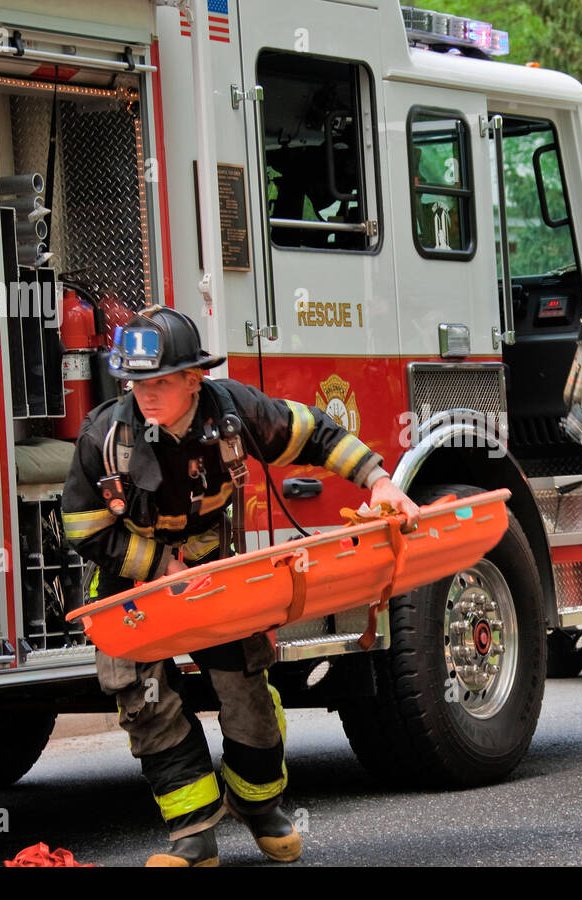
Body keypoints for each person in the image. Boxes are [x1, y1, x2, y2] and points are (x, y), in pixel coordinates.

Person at [62, 305, 418, 866]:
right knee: (145, 703)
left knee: (246, 689)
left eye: (157, 382)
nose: (144, 395)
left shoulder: (234, 412)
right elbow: (82, 527)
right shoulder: (106, 435)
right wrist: (158, 566)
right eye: (134, 382)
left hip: (214, 575)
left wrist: (379, 480)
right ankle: (192, 835)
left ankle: (260, 807)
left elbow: (314, 433)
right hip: (130, 584)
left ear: (193, 377)